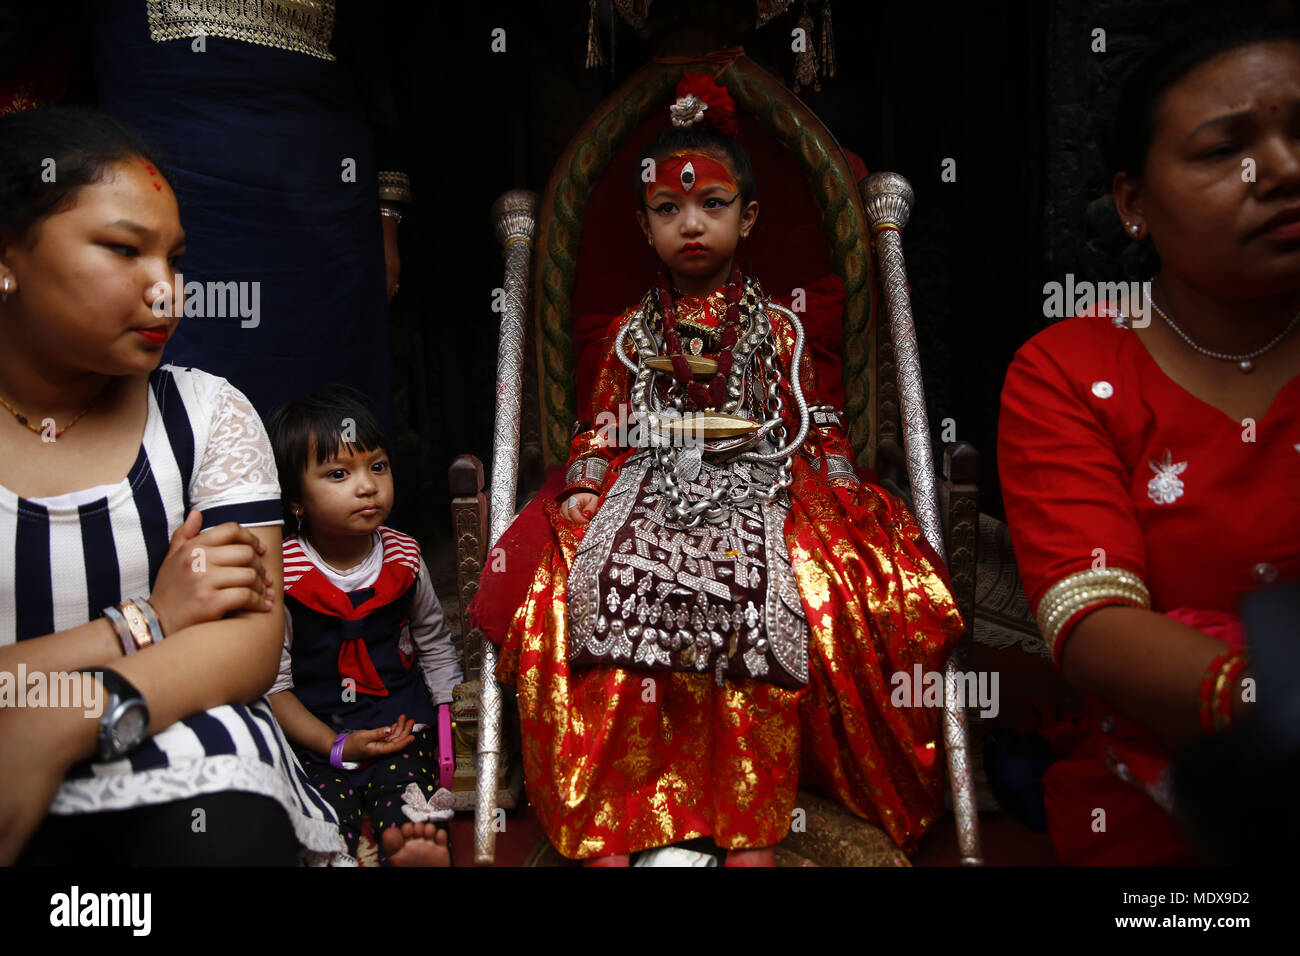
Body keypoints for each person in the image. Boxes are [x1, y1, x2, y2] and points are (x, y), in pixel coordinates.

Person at [494, 73, 965, 866]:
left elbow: (814, 420)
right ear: (644, 226)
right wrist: (580, 489)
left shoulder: (777, 327)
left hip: (768, 473)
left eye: (712, 205)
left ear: (747, 219)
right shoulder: (628, 333)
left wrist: (843, 485)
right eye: (669, 210)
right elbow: (599, 432)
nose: (691, 225)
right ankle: (632, 805)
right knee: (583, 583)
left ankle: (760, 798)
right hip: (651, 477)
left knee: (821, 577)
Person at [0, 107, 347, 865]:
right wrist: (143, 621)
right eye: (124, 250)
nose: (167, 294)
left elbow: (248, 642)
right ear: (7, 258)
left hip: (174, 736)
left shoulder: (205, 413)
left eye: (176, 260)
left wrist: (73, 711)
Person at [998, 20, 1300, 866]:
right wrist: (1270, 703)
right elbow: (1094, 626)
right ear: (1133, 204)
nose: (1281, 169)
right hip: (1170, 798)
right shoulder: (1072, 369)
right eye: (1223, 150)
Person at [266, 388, 462, 866]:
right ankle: (332, 852)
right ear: (295, 500)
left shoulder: (404, 556)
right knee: (319, 805)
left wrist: (446, 715)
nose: (367, 486)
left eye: (377, 466)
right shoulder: (283, 572)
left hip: (396, 719)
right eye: (339, 474)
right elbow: (274, 685)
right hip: (316, 729)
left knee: (407, 782)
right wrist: (335, 745)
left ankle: (411, 841)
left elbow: (434, 643)